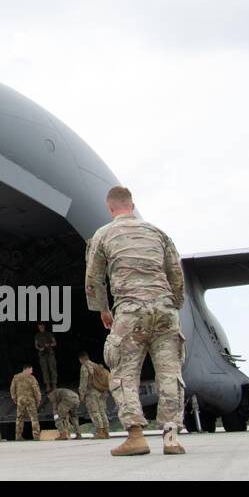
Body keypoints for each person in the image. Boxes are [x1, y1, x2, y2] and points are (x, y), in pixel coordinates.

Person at [85, 185, 186, 456]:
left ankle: (136, 436)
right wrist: (174, 305)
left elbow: (94, 279)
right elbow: (176, 273)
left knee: (123, 374)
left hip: (130, 312)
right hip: (165, 310)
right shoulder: (157, 233)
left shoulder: (104, 234)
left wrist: (104, 311)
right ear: (132, 204)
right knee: (169, 373)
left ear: (110, 208)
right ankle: (171, 438)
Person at [77, 351, 111, 439]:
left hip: (91, 393)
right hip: (101, 391)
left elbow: (83, 382)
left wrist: (82, 394)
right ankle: (106, 432)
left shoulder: (85, 367)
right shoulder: (96, 365)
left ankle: (100, 432)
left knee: (94, 412)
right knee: (102, 412)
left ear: (81, 359)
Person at [9, 362, 42, 440]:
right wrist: (38, 399)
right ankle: (36, 436)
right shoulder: (31, 378)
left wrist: (14, 398)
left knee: (19, 418)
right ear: (27, 369)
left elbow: (12, 388)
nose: (32, 371)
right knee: (34, 418)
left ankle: (18, 436)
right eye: (31, 370)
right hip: (30, 400)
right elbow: (36, 389)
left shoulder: (16, 377)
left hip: (20, 400)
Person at [34, 322, 58, 393]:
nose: (41, 327)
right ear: (38, 327)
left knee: (53, 369)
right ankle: (48, 386)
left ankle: (54, 385)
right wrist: (39, 348)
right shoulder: (37, 335)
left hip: (50, 353)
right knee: (45, 370)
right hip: (42, 354)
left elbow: (55, 343)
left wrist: (49, 344)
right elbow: (36, 345)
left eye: (42, 326)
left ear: (44, 326)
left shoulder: (49, 334)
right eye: (39, 326)